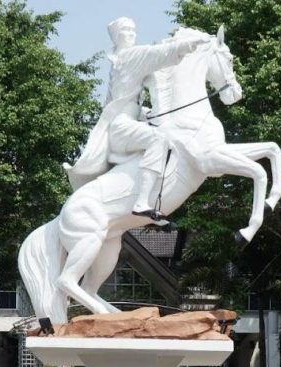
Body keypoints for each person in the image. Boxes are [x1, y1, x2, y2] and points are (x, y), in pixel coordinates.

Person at [66, 16, 209, 220]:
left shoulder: (119, 62)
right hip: (121, 127)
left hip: (125, 122)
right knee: (158, 138)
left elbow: (119, 101)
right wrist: (188, 44)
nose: (132, 33)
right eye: (126, 30)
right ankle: (142, 201)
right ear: (116, 37)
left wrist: (142, 113)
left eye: (133, 29)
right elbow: (156, 53)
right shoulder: (129, 57)